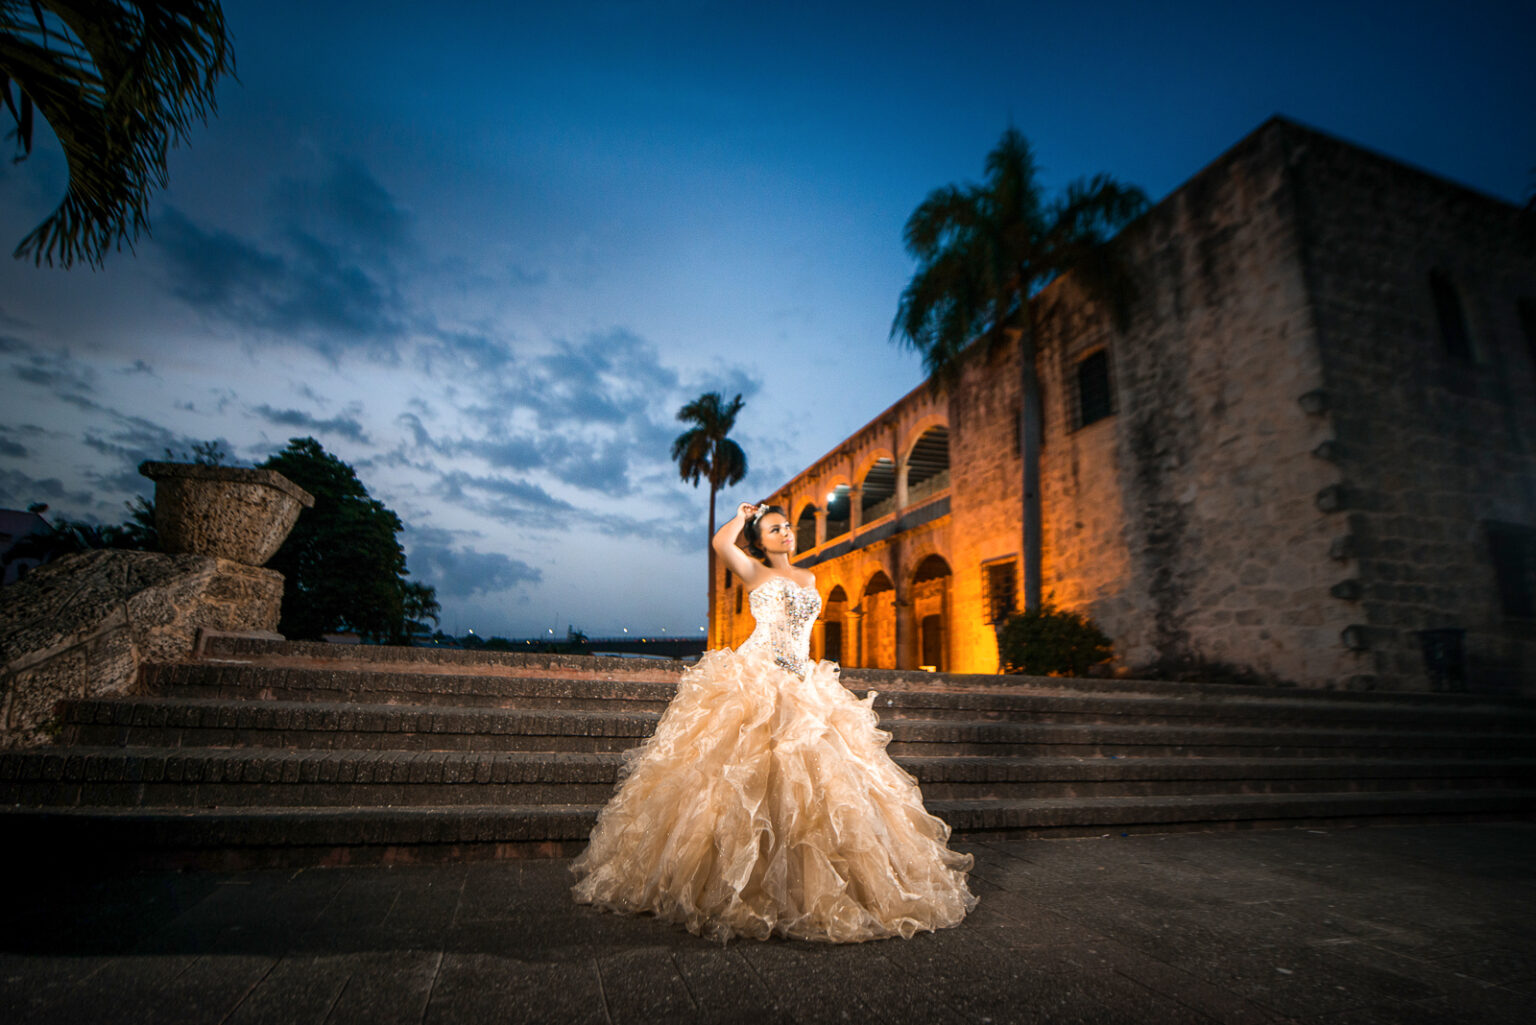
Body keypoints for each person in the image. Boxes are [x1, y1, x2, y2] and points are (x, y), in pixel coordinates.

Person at [570, 501, 976, 943]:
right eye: (774, 530)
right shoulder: (753, 573)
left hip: (803, 679)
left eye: (787, 528)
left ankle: (811, 886)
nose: (785, 534)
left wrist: (800, 674)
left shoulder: (810, 578)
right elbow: (720, 542)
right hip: (758, 674)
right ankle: (739, 886)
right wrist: (744, 517)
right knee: (745, 772)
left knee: (819, 779)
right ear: (760, 542)